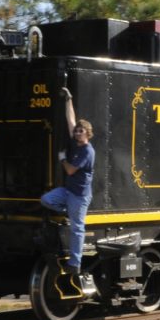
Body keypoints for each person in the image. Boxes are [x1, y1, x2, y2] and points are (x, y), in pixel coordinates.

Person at [39, 87, 94, 298]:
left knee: (78, 227)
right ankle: (67, 212)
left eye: (81, 131)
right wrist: (69, 99)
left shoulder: (87, 152)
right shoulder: (76, 141)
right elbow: (70, 119)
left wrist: (62, 158)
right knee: (46, 200)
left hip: (79, 195)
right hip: (67, 191)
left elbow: (70, 169)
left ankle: (75, 262)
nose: (77, 132)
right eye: (77, 130)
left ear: (87, 134)